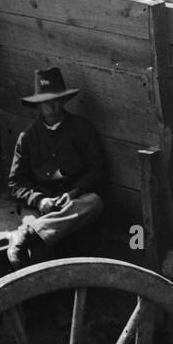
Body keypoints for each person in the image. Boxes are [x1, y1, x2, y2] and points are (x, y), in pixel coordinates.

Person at [6, 67, 107, 266]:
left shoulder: (82, 129)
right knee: (33, 251)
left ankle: (27, 233)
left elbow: (99, 169)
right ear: (38, 106)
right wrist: (39, 200)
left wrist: (73, 192)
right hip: (40, 206)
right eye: (45, 102)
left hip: (73, 203)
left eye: (55, 100)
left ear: (63, 101)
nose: (52, 107)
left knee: (94, 202)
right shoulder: (27, 137)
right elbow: (15, 184)